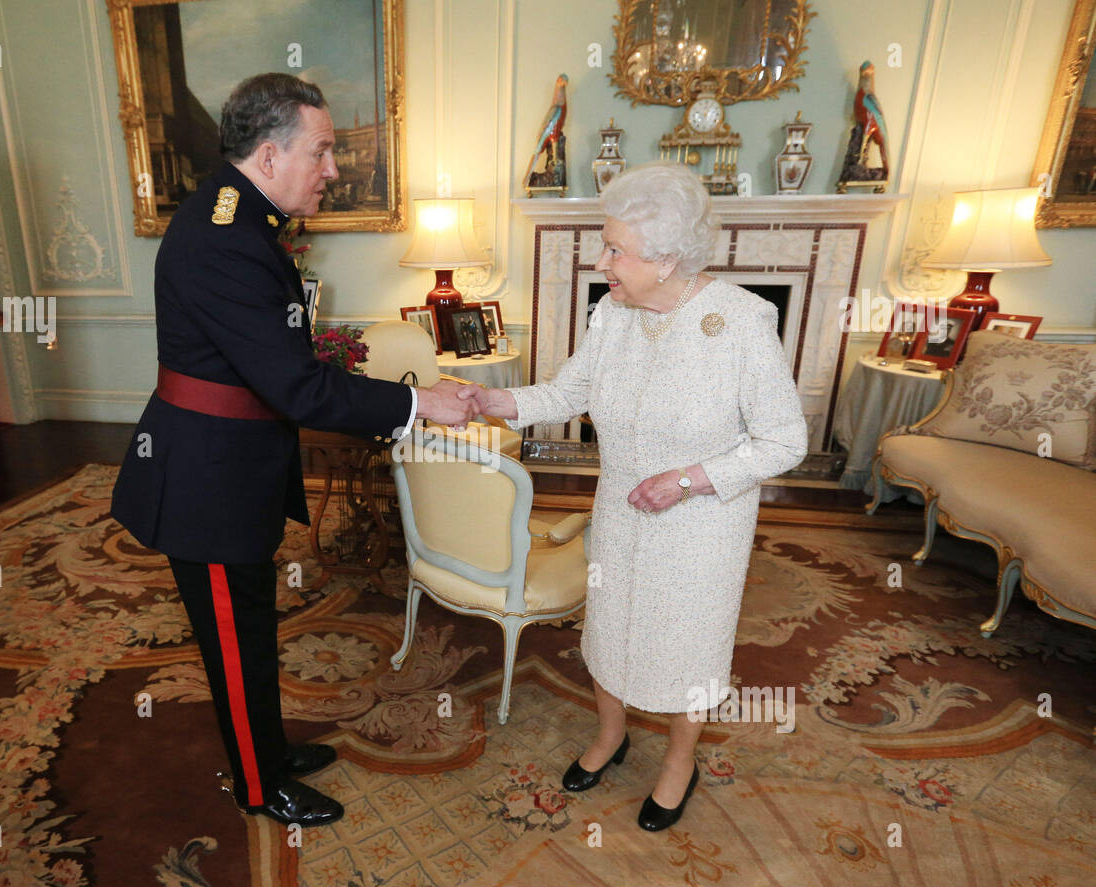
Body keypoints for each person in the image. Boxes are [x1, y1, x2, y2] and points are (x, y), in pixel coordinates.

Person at [110, 73, 478, 828]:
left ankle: (268, 750)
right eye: (323, 151)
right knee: (237, 647)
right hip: (206, 484)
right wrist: (419, 401)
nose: (334, 169)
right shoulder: (227, 240)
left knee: (254, 629)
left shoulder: (234, 214)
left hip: (230, 461)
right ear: (271, 155)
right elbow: (299, 389)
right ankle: (258, 783)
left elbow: (277, 368)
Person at [460, 162, 807, 831]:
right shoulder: (611, 315)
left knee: (690, 643)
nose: (603, 260)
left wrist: (687, 478)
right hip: (619, 510)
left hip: (703, 524)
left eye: (616, 249)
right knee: (611, 628)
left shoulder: (740, 323)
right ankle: (610, 734)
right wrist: (492, 400)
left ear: (667, 258)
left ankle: (680, 759)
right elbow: (567, 393)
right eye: (605, 244)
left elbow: (784, 440)